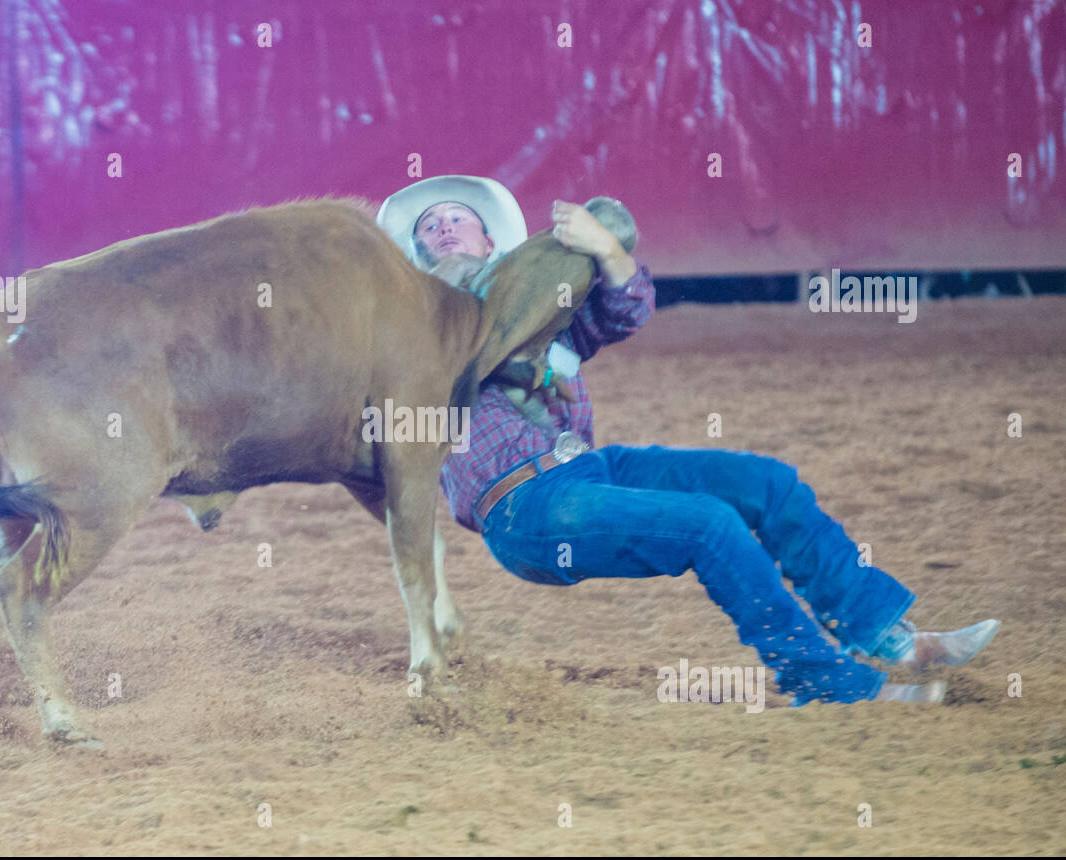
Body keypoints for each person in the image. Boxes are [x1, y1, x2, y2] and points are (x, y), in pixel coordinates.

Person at [376, 175, 1000, 706]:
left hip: (588, 474)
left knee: (767, 484)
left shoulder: (541, 315)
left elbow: (627, 310)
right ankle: (828, 683)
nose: (446, 228)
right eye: (430, 228)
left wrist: (606, 249)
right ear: (414, 259)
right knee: (708, 524)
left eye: (460, 218)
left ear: (493, 243)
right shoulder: (412, 335)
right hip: (523, 509)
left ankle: (892, 638)